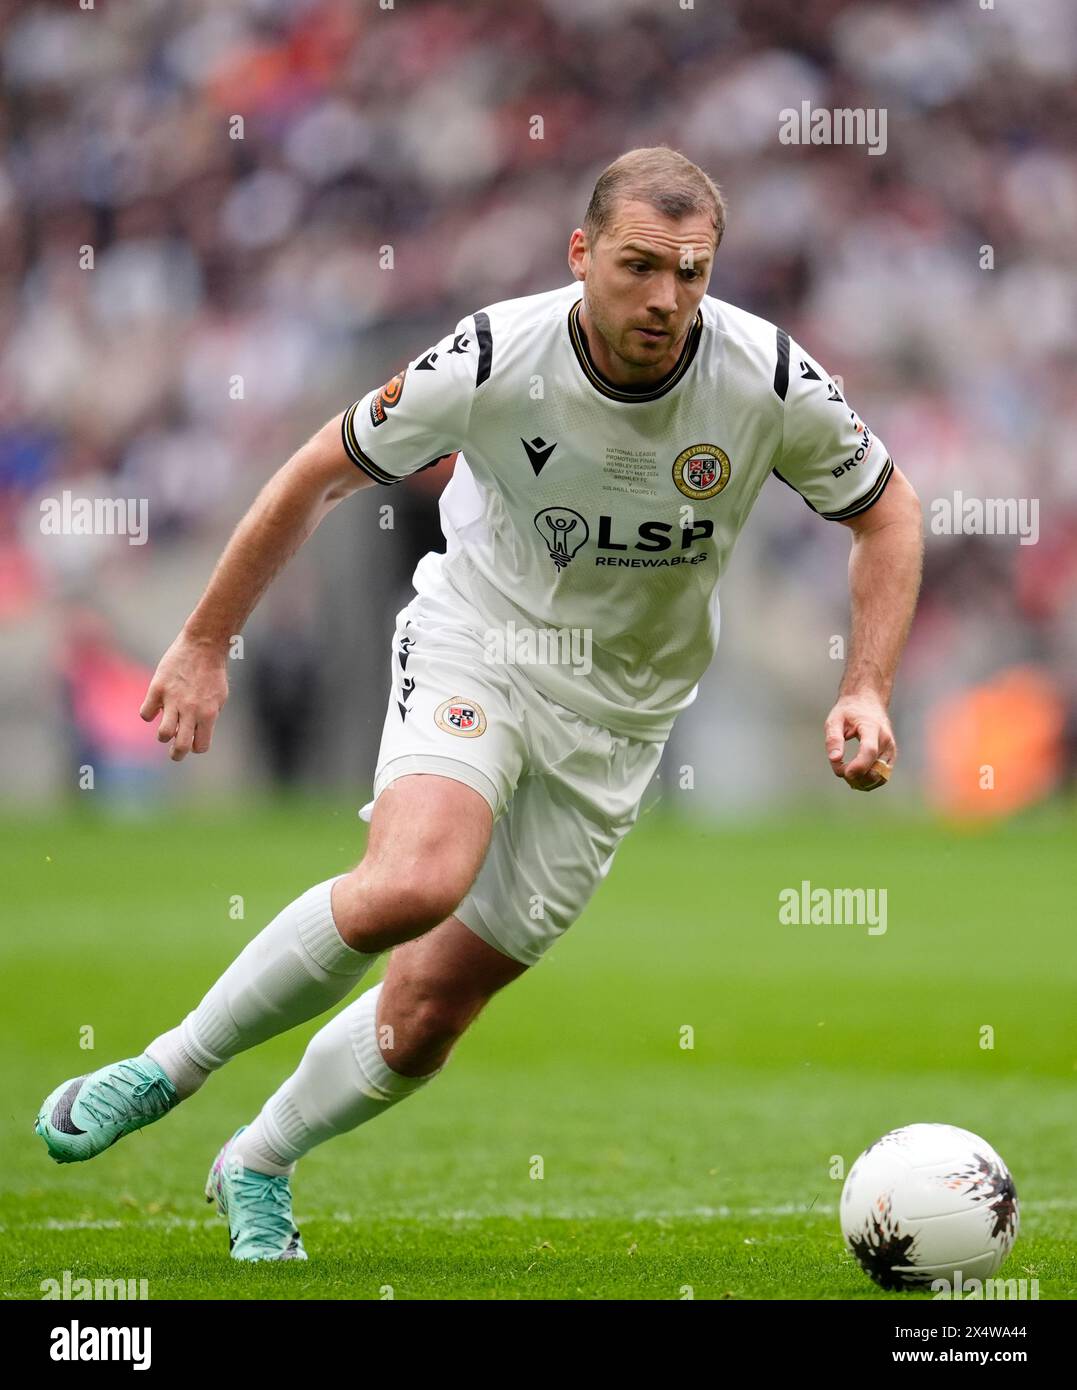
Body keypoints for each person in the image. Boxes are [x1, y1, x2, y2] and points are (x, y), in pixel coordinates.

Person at [35, 147, 923, 1261]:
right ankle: (165, 1067)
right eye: (640, 266)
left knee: (427, 1016)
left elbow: (888, 512)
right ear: (581, 253)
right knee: (414, 881)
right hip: (481, 648)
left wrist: (867, 685)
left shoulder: (769, 377)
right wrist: (206, 640)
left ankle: (257, 1159)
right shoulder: (499, 354)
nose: (665, 299)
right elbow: (319, 468)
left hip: (618, 721)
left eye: (692, 273)